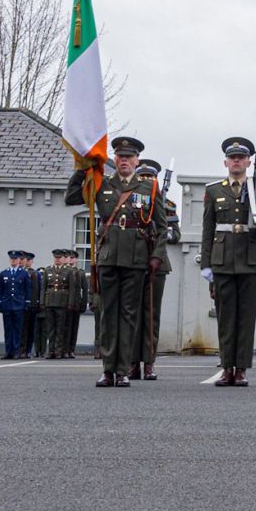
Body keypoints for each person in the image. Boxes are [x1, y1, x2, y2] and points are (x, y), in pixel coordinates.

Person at [68, 136, 165, 387]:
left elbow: (162, 228)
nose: (124, 161)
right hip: (109, 257)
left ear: (137, 160)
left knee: (129, 315)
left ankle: (122, 370)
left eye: (129, 157)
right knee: (108, 314)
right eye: (120, 157)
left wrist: (157, 256)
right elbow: (71, 198)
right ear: (114, 159)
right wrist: (82, 169)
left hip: (135, 259)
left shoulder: (150, 188)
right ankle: (107, 369)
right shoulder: (102, 183)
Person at [200, 136, 256, 388]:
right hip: (223, 260)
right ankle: (226, 367)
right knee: (225, 317)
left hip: (250, 258)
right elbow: (207, 229)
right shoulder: (213, 190)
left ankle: (241, 368)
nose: (236, 161)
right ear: (225, 162)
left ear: (248, 161)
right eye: (232, 158)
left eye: (241, 157)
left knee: (245, 318)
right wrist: (206, 264)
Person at [0, 250, 30, 359]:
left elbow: (27, 290)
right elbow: (0, 290)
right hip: (7, 304)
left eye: (15, 259)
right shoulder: (4, 273)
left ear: (19, 260)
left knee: (17, 329)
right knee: (8, 329)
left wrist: (27, 302)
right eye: (11, 259)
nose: (13, 261)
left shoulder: (24, 273)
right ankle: (8, 351)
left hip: (18, 304)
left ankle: (16, 351)